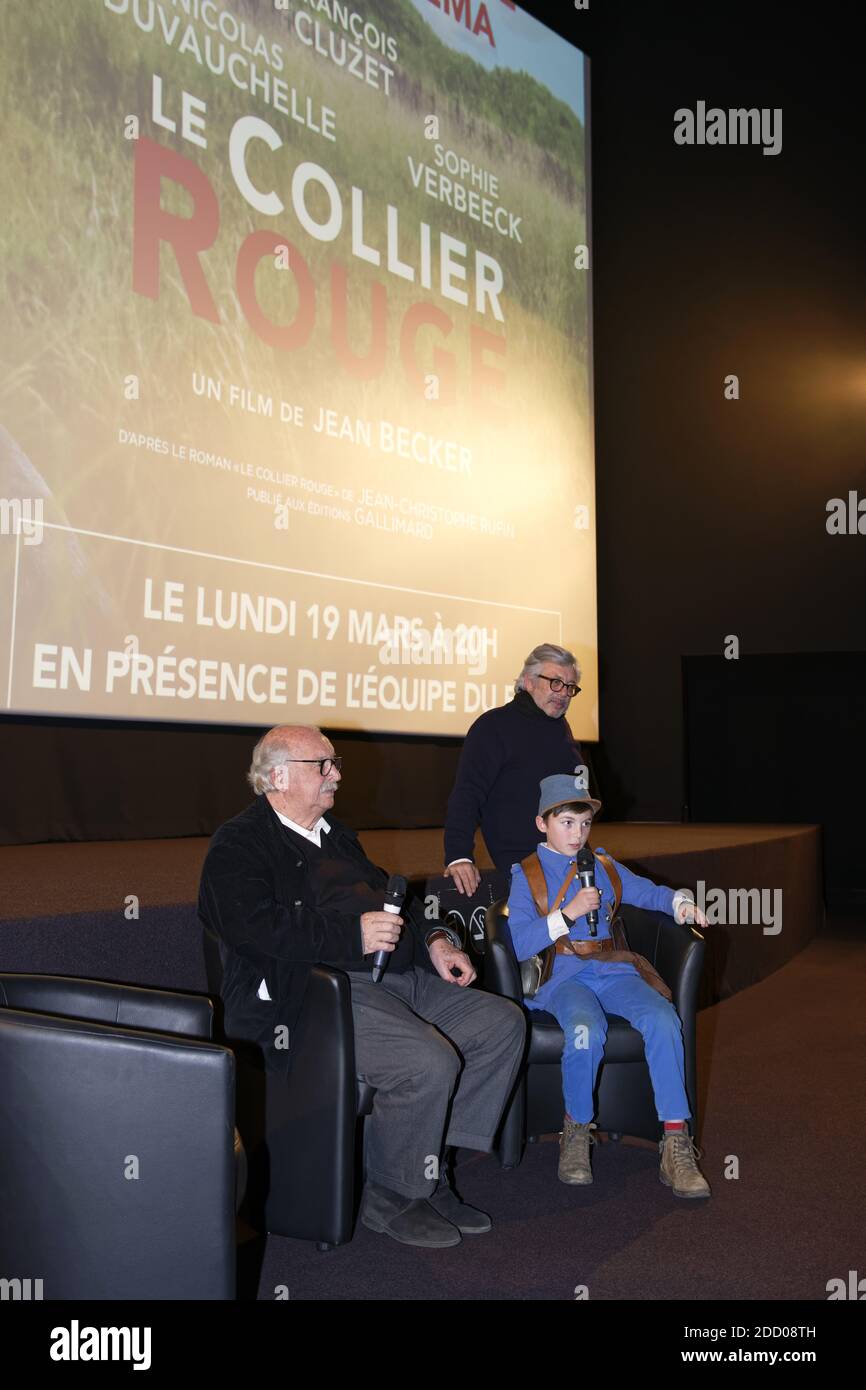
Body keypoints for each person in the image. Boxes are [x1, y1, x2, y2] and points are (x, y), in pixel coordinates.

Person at [198, 724, 526, 1248]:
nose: (337, 774)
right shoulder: (240, 843)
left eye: (336, 763)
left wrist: (437, 942)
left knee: (500, 1023)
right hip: (313, 993)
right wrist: (350, 934)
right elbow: (249, 925)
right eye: (323, 765)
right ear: (277, 776)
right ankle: (392, 1195)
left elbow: (396, 909)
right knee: (427, 1061)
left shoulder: (336, 835)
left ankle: (428, 1170)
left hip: (394, 976)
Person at [506, 772, 711, 1198]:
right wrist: (567, 912)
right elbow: (519, 941)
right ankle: (576, 1130)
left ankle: (675, 1139)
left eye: (584, 824)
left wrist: (681, 904)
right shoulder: (526, 874)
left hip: (614, 968)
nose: (577, 834)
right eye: (567, 823)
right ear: (542, 823)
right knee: (585, 1030)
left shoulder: (601, 865)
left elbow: (648, 893)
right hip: (564, 974)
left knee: (662, 1018)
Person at [444, 642, 587, 895]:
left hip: (569, 856)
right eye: (555, 682)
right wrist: (459, 856)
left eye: (570, 687)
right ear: (528, 681)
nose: (564, 693)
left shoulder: (561, 730)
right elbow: (467, 794)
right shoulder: (493, 727)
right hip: (525, 866)